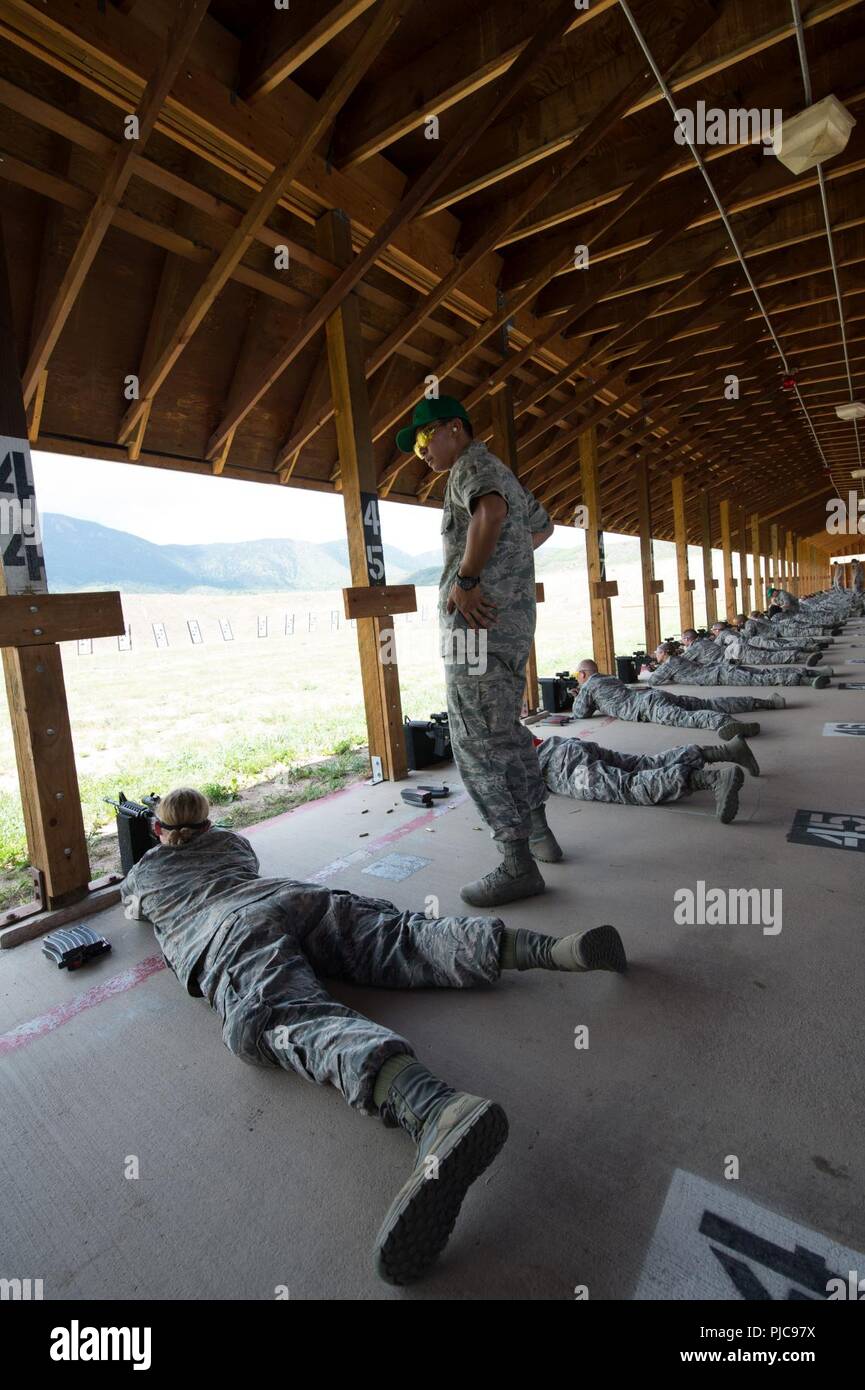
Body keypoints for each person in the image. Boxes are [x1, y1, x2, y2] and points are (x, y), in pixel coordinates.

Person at [121, 788, 627, 1287]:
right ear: (210, 824)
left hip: (226, 933)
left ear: (158, 829)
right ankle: (556, 949)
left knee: (283, 1015)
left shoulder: (146, 872)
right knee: (400, 937)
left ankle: (434, 1109)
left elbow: (136, 907)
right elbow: (226, 854)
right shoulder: (233, 845)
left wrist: (152, 854)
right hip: (292, 897)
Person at [396, 395, 556, 907]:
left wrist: (468, 579)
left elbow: (489, 511)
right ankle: (537, 832)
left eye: (424, 439)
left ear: (455, 429)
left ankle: (516, 863)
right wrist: (504, 568)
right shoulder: (498, 468)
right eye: (416, 446)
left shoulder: (470, 467)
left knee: (472, 739)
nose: (421, 452)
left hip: (475, 626)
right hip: (507, 625)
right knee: (505, 730)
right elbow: (542, 526)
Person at [533, 733, 759, 824]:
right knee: (643, 765)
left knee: (625, 787)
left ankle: (710, 779)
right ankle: (724, 751)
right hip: (562, 745)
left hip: (551, 765)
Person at [567, 658, 782, 735]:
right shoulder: (608, 677)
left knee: (686, 717)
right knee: (706, 702)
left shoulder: (588, 686)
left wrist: (577, 695)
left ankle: (727, 723)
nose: (578, 678)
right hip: (653, 696)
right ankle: (762, 702)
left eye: (578, 675)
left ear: (584, 674)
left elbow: (580, 713)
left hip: (645, 708)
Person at [648, 642, 831, 689]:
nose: (656, 655)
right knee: (765, 671)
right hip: (722, 668)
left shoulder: (669, 664)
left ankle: (806, 680)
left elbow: (654, 682)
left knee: (762, 680)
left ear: (664, 653)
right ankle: (811, 672)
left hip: (719, 675)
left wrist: (652, 669)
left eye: (657, 652)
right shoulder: (678, 659)